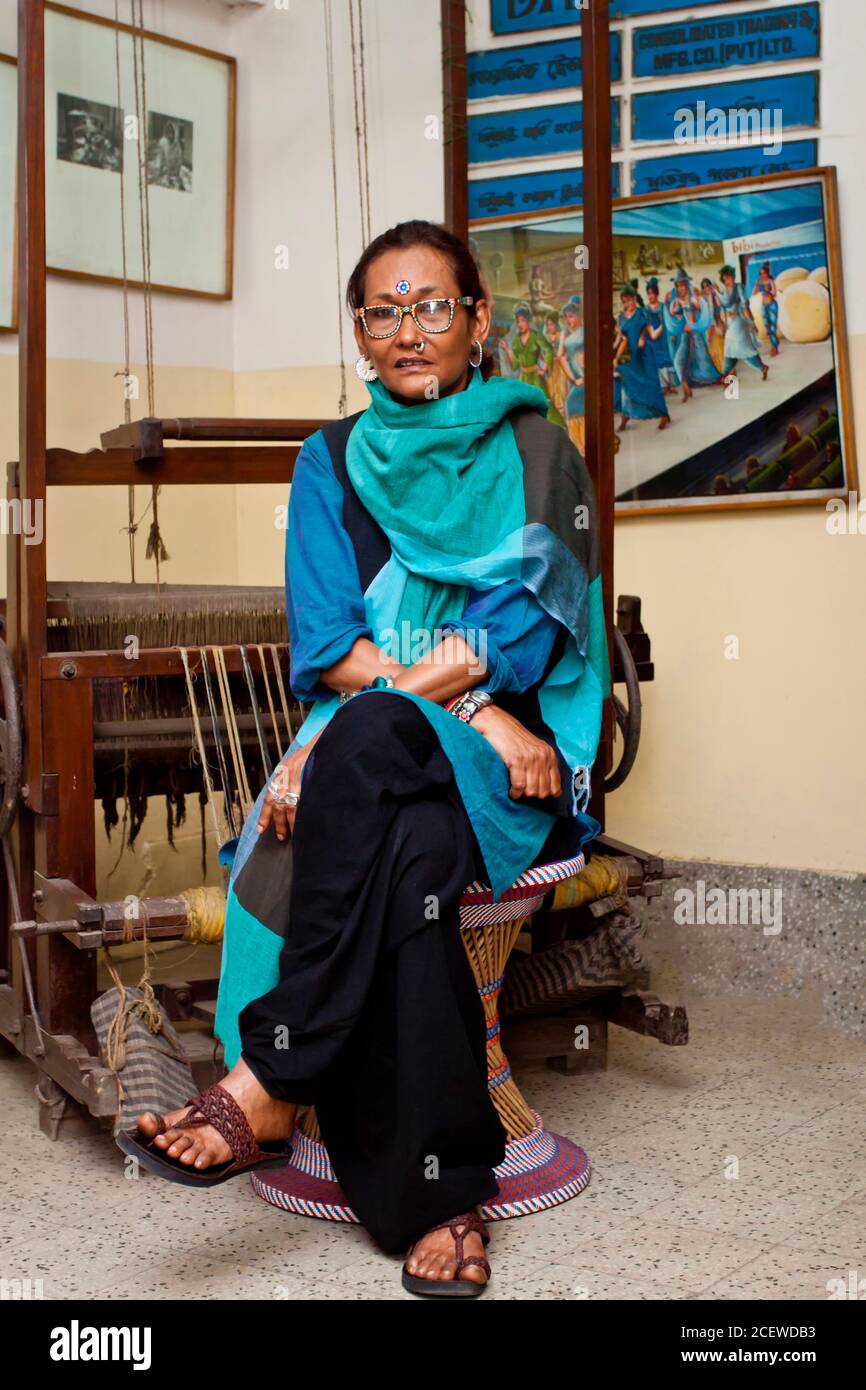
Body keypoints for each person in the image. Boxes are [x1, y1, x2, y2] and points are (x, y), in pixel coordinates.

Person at [119, 219, 608, 1298]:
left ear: (477, 323)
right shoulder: (328, 462)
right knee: (414, 850)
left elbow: (517, 636)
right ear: (358, 334)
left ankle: (269, 1075)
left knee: (373, 735)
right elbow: (329, 644)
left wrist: (462, 716)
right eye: (382, 311)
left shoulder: (537, 453)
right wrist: (468, 709)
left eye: (432, 305)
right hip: (431, 756)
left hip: (513, 772)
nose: (408, 330)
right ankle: (438, 1195)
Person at [614, 281, 671, 431]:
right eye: (625, 301)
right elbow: (620, 337)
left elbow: (652, 334)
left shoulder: (642, 313)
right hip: (629, 356)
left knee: (652, 386)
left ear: (635, 299)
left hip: (645, 355)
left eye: (631, 299)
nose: (628, 303)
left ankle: (664, 414)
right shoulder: (621, 317)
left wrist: (666, 325)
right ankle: (625, 417)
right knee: (626, 385)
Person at [664, 269, 722, 401]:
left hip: (695, 334)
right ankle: (686, 388)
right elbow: (672, 317)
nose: (680, 288)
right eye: (678, 286)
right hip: (683, 336)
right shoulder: (675, 302)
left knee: (703, 360)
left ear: (686, 285)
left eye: (682, 285)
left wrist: (696, 320)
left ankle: (718, 380)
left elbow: (703, 309)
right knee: (678, 361)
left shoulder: (692, 299)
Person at [501, 304, 564, 426]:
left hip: (536, 378)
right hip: (523, 378)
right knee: (523, 409)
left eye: (523, 321)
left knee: (544, 404)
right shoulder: (515, 341)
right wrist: (507, 350)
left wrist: (545, 367)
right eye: (518, 321)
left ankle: (557, 429)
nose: (520, 324)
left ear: (528, 321)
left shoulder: (536, 336)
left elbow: (549, 350)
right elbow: (515, 365)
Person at [719, 264, 768, 381]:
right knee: (730, 349)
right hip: (730, 324)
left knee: (743, 348)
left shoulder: (738, 287)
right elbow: (724, 310)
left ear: (733, 277)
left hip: (739, 322)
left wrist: (751, 322)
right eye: (725, 278)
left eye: (729, 277)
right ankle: (725, 374)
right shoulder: (724, 291)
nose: (727, 281)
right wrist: (724, 324)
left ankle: (761, 367)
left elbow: (745, 305)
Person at [557, 296, 587, 455]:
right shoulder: (566, 334)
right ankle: (579, 448)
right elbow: (560, 356)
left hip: (585, 375)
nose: (569, 320)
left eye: (571, 316)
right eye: (566, 317)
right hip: (574, 377)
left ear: (578, 316)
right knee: (572, 407)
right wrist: (573, 378)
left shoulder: (585, 331)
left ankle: (584, 447)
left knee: (576, 405)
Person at [644, 276, 678, 396]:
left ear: (656, 293)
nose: (650, 296)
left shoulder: (663, 307)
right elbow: (649, 329)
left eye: (652, 293)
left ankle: (671, 385)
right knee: (658, 361)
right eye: (648, 293)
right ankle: (663, 387)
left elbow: (670, 321)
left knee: (668, 359)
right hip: (654, 339)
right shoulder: (646, 310)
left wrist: (672, 334)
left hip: (665, 339)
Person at [756, 261, 780, 355]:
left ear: (767, 273)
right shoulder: (759, 281)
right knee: (767, 327)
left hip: (772, 305)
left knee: (773, 327)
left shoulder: (770, 281)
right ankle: (774, 344)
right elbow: (754, 293)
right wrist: (756, 286)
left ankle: (774, 348)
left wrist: (768, 291)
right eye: (761, 273)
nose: (763, 275)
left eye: (764, 273)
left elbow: (774, 293)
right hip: (764, 306)